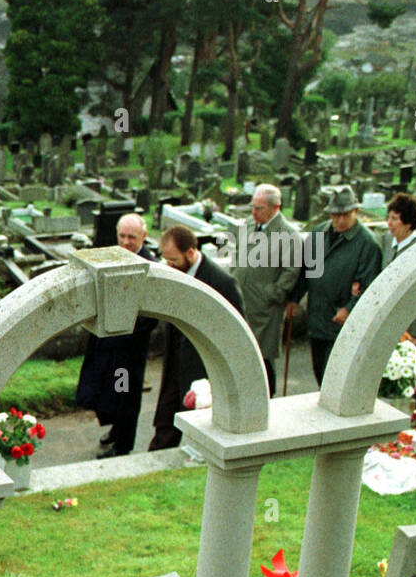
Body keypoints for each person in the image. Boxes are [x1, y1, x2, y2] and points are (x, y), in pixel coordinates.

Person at [149, 225, 244, 451]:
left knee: (197, 432)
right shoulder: (176, 271)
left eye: (173, 260)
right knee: (165, 422)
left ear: (190, 253)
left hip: (200, 371)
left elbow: (237, 334)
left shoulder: (222, 283)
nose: (168, 266)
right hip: (174, 362)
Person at [75, 213, 159, 458]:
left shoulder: (149, 265)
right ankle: (115, 430)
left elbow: (150, 316)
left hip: (128, 351)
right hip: (108, 344)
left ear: (143, 236)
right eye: (122, 236)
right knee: (109, 392)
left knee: (124, 395)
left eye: (131, 237)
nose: (125, 242)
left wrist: (121, 330)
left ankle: (123, 445)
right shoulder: (115, 254)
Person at [286, 186, 382, 387]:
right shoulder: (318, 233)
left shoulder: (367, 244)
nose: (339, 220)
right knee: (320, 372)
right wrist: (295, 298)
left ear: (356, 212)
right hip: (317, 318)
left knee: (335, 380)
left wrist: (349, 308)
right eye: (335, 215)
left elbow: (369, 285)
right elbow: (306, 271)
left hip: (342, 323)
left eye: (345, 215)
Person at [230, 183, 302, 397]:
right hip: (242, 301)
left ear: (275, 207)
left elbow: (291, 271)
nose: (254, 212)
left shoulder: (288, 235)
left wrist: (273, 294)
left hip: (265, 309)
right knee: (241, 354)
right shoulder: (250, 226)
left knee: (262, 358)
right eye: (253, 207)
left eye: (259, 208)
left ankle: (267, 401)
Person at [379, 192, 416, 406]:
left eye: (394, 219)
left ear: (408, 223)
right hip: (390, 326)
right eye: (389, 217)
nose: (389, 223)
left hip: (411, 330)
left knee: (415, 383)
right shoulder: (387, 242)